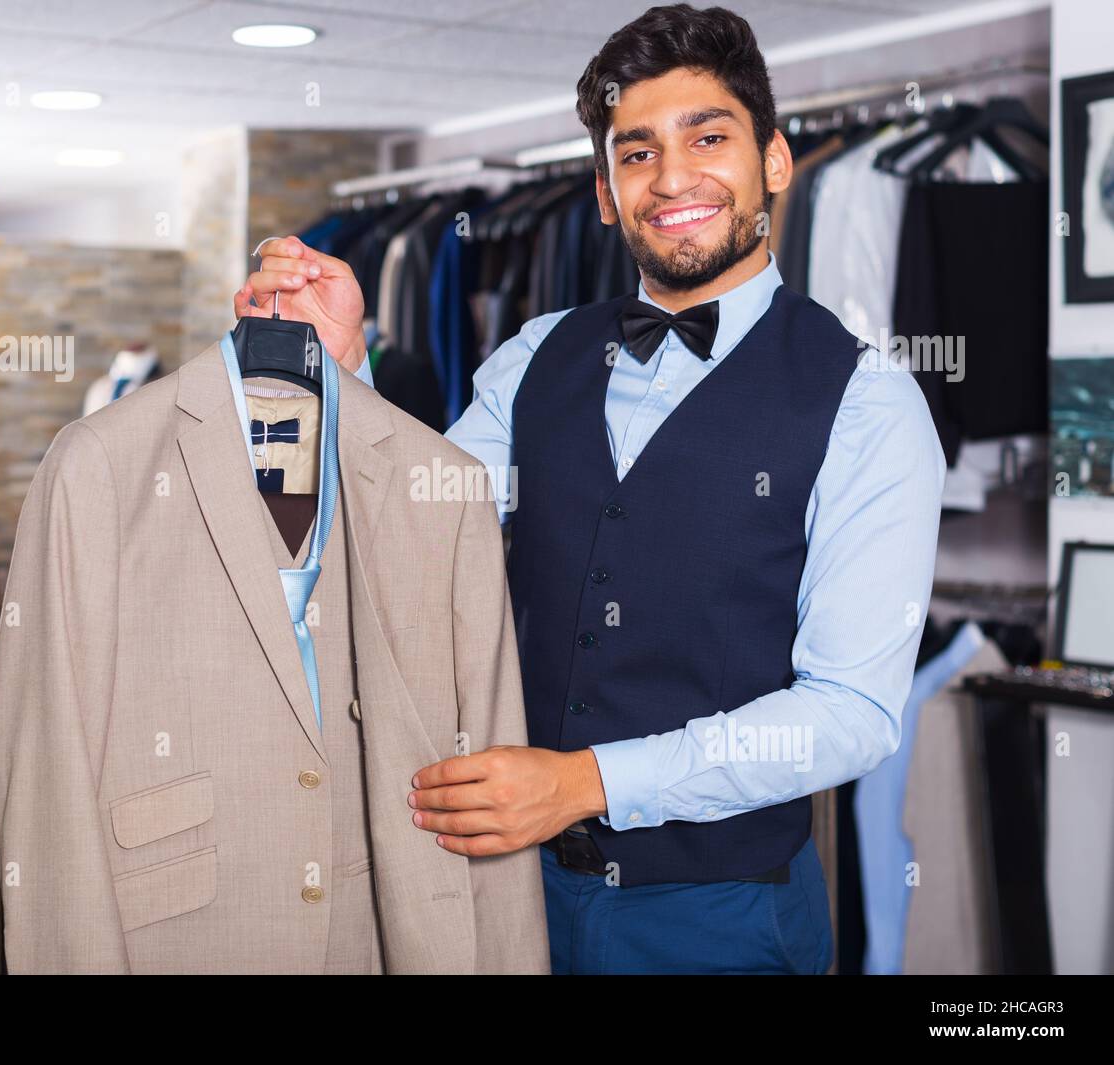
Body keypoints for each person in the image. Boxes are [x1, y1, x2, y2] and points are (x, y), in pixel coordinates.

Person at [234, 3, 945, 974]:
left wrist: (583, 783)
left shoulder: (866, 401)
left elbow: (849, 713)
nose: (673, 176)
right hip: (504, 893)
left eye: (708, 137)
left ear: (774, 161)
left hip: (720, 917)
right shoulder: (536, 356)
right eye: (636, 152)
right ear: (605, 193)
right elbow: (404, 539)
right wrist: (341, 368)